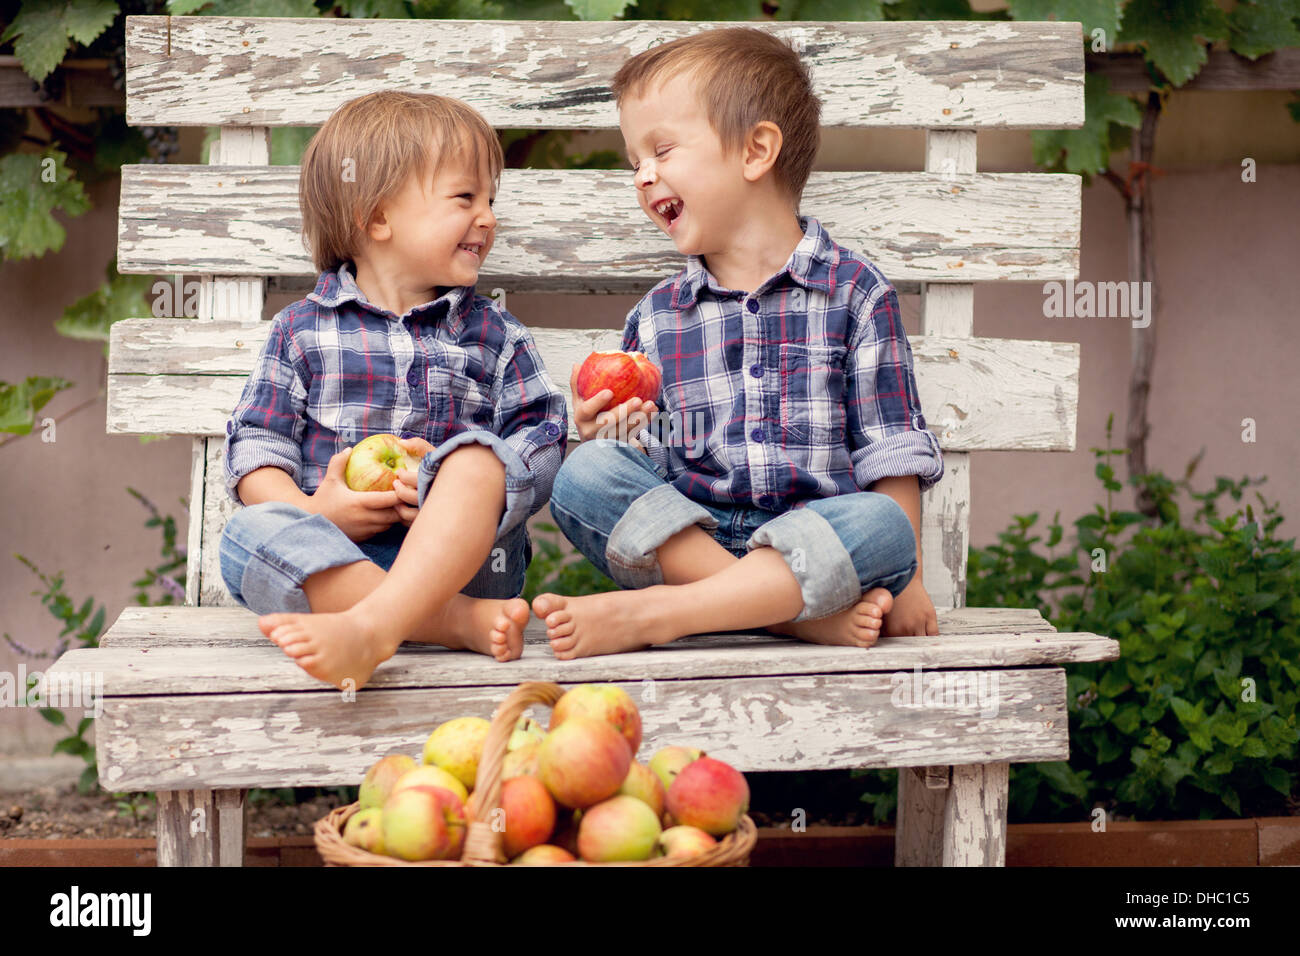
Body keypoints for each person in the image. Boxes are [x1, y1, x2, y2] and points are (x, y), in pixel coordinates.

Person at [531, 28, 944, 659]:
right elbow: (651, 462)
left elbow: (891, 449)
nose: (643, 176)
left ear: (756, 151)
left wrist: (909, 579)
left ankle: (668, 612)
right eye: (633, 162)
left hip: (818, 541)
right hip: (697, 536)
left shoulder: (855, 294)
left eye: (662, 149)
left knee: (885, 525)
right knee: (583, 472)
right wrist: (607, 431)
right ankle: (780, 617)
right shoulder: (658, 318)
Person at [220, 91, 568, 689]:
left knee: (479, 458)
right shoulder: (303, 329)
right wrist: (312, 511)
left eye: (491, 199)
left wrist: (461, 484)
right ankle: (454, 625)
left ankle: (391, 621)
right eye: (466, 197)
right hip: (335, 560)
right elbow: (257, 441)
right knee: (245, 536)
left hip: (467, 566)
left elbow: (544, 434)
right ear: (378, 217)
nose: (488, 217)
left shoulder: (491, 332)